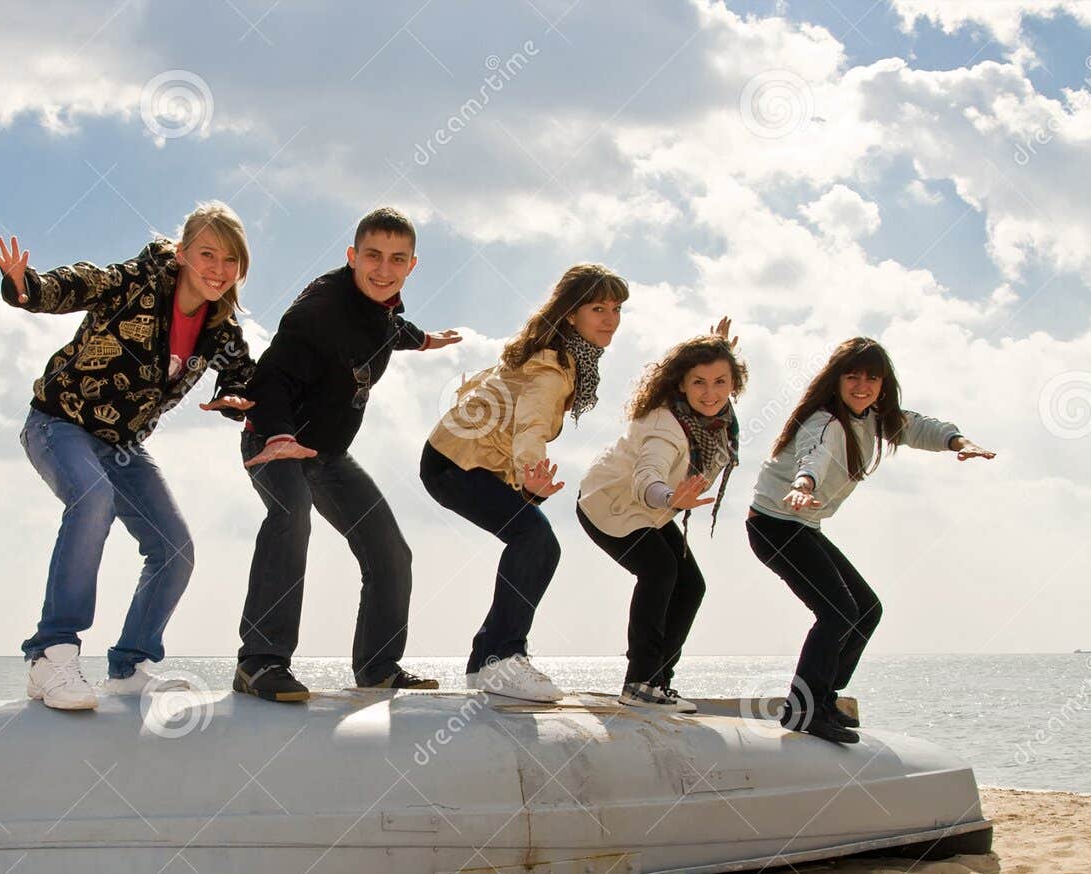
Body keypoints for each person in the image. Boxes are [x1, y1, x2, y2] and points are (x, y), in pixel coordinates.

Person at [0, 201, 257, 711]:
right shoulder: (136, 280)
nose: (217, 270)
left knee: (174, 549)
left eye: (230, 260)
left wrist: (236, 396)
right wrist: (27, 288)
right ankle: (51, 655)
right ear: (181, 254)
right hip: (59, 422)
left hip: (122, 446)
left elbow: (241, 371)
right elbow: (81, 283)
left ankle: (131, 667)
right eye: (206, 254)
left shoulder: (220, 328)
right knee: (93, 502)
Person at [234, 207, 462, 701]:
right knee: (291, 516)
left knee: (391, 552)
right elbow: (270, 377)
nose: (383, 270)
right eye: (373, 257)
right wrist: (277, 436)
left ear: (412, 265)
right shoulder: (316, 311)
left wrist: (425, 340)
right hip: (274, 441)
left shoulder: (381, 309)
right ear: (352, 256)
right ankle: (260, 662)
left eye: (396, 259)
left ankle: (379, 668)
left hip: (328, 454)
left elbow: (386, 330)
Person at [746, 337, 995, 743]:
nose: (862, 385)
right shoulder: (824, 420)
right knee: (838, 612)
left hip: (802, 526)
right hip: (775, 525)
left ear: (883, 384)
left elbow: (918, 427)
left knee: (866, 610)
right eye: (853, 376)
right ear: (837, 380)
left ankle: (824, 697)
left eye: (871, 378)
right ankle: (803, 710)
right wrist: (803, 483)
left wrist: (960, 443)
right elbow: (814, 455)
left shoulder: (875, 417)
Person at [420, 263, 629, 702]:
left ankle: (490, 660)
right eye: (598, 308)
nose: (610, 318)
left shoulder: (554, 353)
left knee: (534, 538)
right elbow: (531, 424)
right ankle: (500, 660)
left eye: (615, 308)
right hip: (456, 463)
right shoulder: (554, 367)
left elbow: (489, 394)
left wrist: (522, 480)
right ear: (571, 314)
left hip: (459, 459)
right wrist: (529, 468)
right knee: (536, 539)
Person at [577, 321, 744, 712]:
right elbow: (647, 475)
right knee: (660, 570)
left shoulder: (717, 421)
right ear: (680, 385)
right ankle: (640, 684)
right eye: (699, 383)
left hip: (650, 513)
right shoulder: (666, 425)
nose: (710, 393)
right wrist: (672, 496)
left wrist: (719, 344)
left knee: (692, 586)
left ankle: (658, 681)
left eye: (721, 382)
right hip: (610, 505)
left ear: (733, 384)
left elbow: (714, 379)